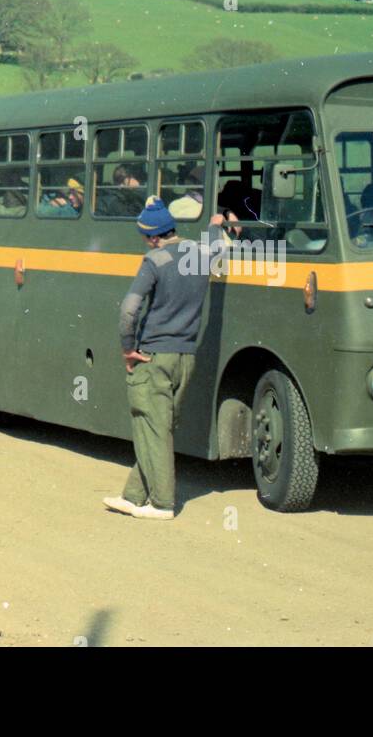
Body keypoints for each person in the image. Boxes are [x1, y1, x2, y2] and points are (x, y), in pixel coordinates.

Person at [103, 197, 227, 521]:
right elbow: (216, 244)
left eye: (145, 237)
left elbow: (129, 308)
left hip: (154, 357)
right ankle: (133, 495)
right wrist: (215, 225)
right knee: (156, 427)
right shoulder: (200, 253)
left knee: (151, 426)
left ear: (153, 236)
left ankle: (161, 503)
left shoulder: (154, 260)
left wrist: (128, 348)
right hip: (185, 357)